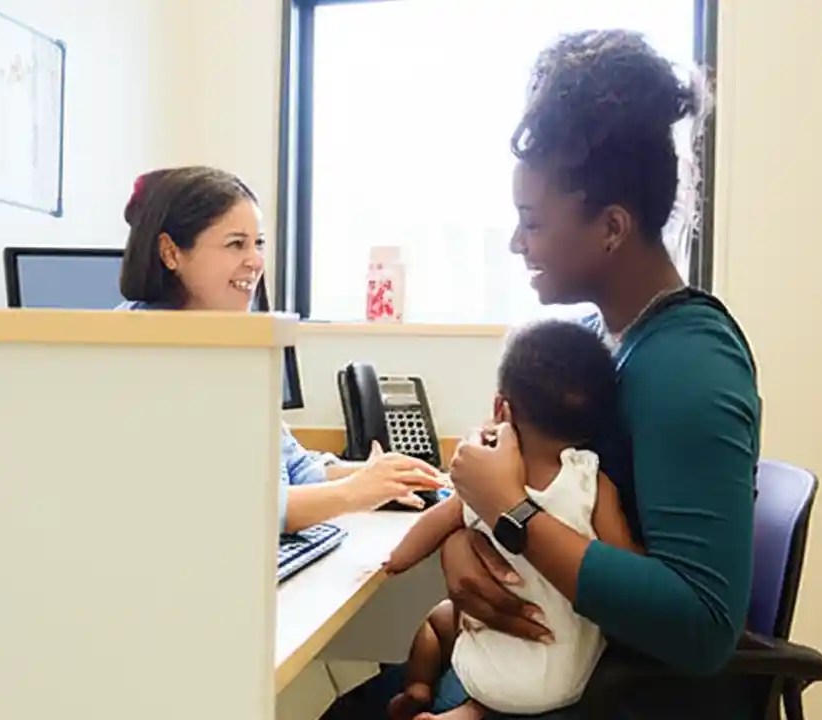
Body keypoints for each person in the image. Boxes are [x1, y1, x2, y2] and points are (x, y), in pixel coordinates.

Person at [422, 29, 760, 719]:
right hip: (534, 672)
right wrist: (459, 543)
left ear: (610, 227)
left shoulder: (690, 365)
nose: (517, 242)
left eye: (532, 223)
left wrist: (509, 516)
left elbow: (701, 629)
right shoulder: (584, 349)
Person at [116, 165, 444, 533]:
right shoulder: (140, 353)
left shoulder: (230, 343)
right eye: (235, 244)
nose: (255, 261)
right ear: (170, 252)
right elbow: (242, 507)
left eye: (258, 243)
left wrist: (379, 476)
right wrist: (354, 492)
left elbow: (292, 469)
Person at [383, 320, 640, 720]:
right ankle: (471, 713)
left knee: (437, 622)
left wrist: (394, 561)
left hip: (489, 670)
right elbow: (626, 567)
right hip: (566, 679)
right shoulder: (593, 483)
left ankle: (422, 690)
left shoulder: (483, 481)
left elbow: (427, 531)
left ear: (501, 408)